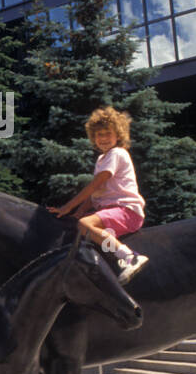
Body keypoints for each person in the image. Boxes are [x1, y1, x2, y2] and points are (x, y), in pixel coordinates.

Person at [48, 106, 149, 284]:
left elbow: (96, 184)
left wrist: (68, 207)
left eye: (107, 133)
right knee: (80, 226)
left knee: (85, 224)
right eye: (99, 134)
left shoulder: (117, 153)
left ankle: (130, 257)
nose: (103, 138)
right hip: (111, 212)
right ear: (93, 137)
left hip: (126, 211)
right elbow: (96, 194)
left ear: (118, 135)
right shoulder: (102, 159)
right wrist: (77, 212)